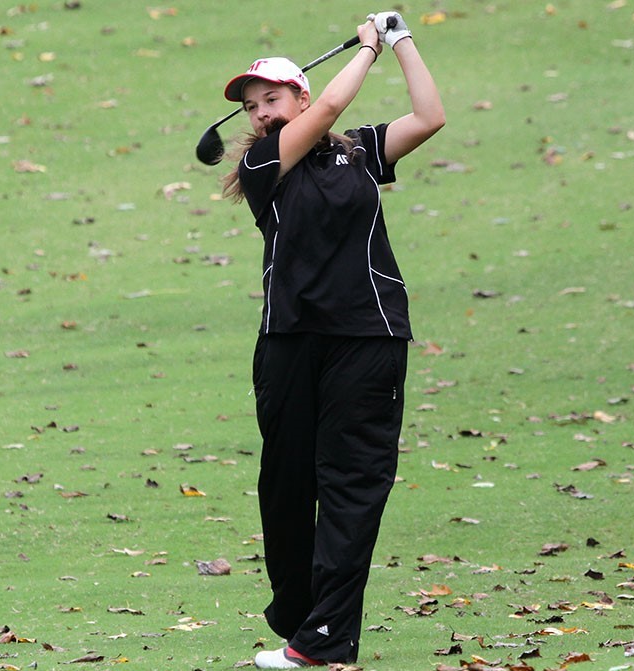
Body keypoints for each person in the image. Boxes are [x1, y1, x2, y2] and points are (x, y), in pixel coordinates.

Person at [220, 11, 444, 670]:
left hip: (369, 335)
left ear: (299, 95)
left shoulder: (360, 151)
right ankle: (301, 616)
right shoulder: (265, 163)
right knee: (286, 488)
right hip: (289, 341)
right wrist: (367, 49)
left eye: (272, 99)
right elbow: (333, 105)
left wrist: (400, 42)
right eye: (251, 107)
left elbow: (428, 117)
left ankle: (322, 642)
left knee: (351, 484)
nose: (260, 114)